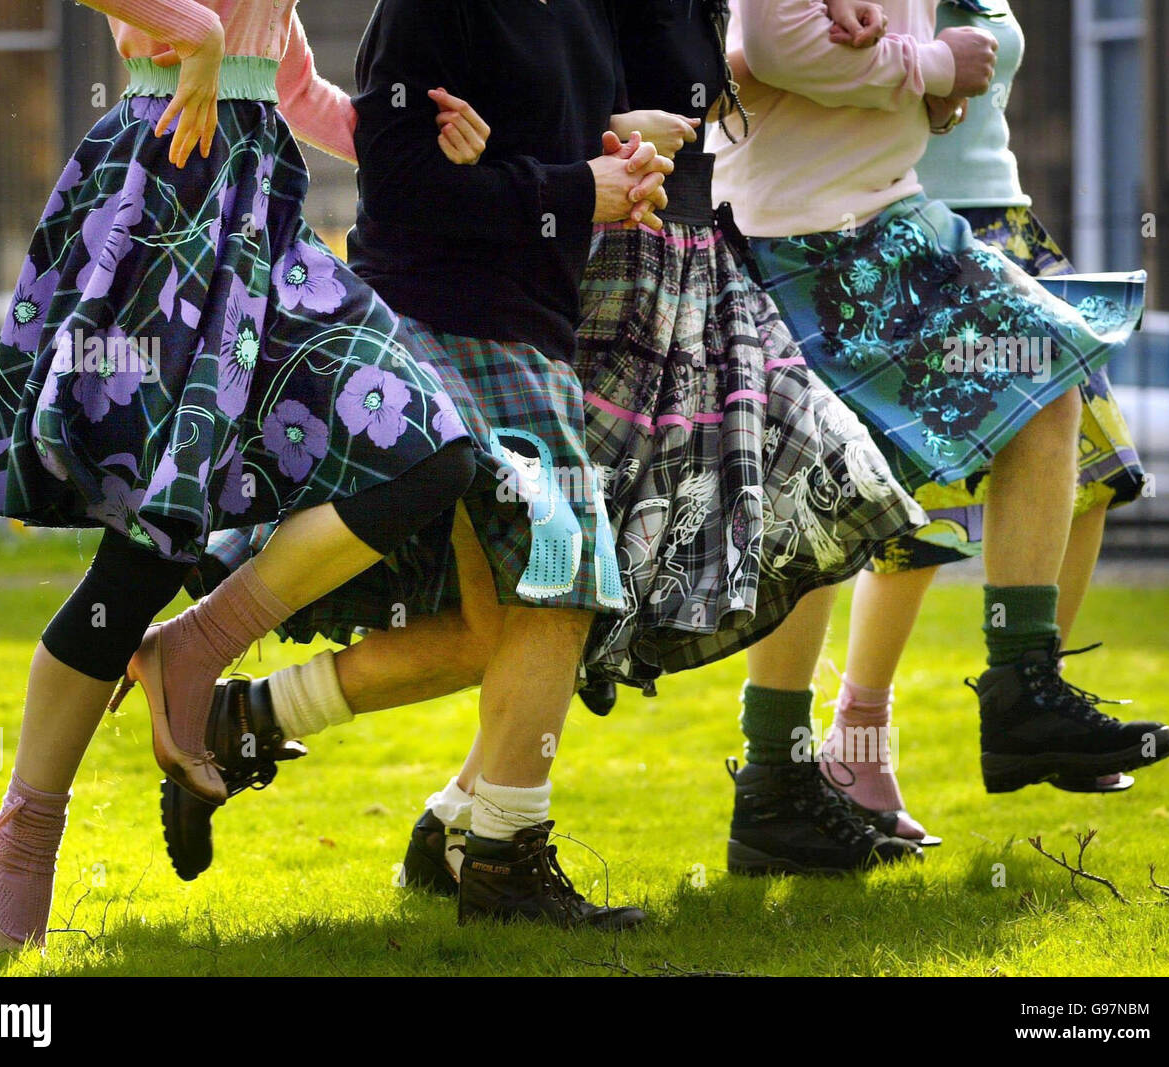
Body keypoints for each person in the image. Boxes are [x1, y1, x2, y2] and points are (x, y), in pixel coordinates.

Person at [159, 0, 932, 891]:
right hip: (472, 316)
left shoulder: (580, 18)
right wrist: (579, 180)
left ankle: (445, 816)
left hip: (550, 309)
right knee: (560, 587)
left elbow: (545, 135)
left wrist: (607, 148)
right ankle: (505, 850)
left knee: (520, 613)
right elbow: (407, 178)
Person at [0, 0, 480, 951]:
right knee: (144, 552)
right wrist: (191, 27)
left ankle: (192, 649)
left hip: (257, 200)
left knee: (428, 449)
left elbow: (299, 85)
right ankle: (20, 837)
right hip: (167, 192)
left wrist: (414, 146)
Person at [706, 0, 1169, 875]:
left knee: (1047, 378)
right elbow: (763, 47)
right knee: (827, 505)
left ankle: (1018, 687)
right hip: (803, 237)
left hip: (886, 215)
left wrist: (923, 75)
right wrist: (926, 67)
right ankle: (782, 772)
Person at [820, 0, 1152, 841]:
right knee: (917, 519)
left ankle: (1034, 697)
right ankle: (856, 740)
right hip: (914, 227)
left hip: (1009, 227)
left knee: (1095, 469)